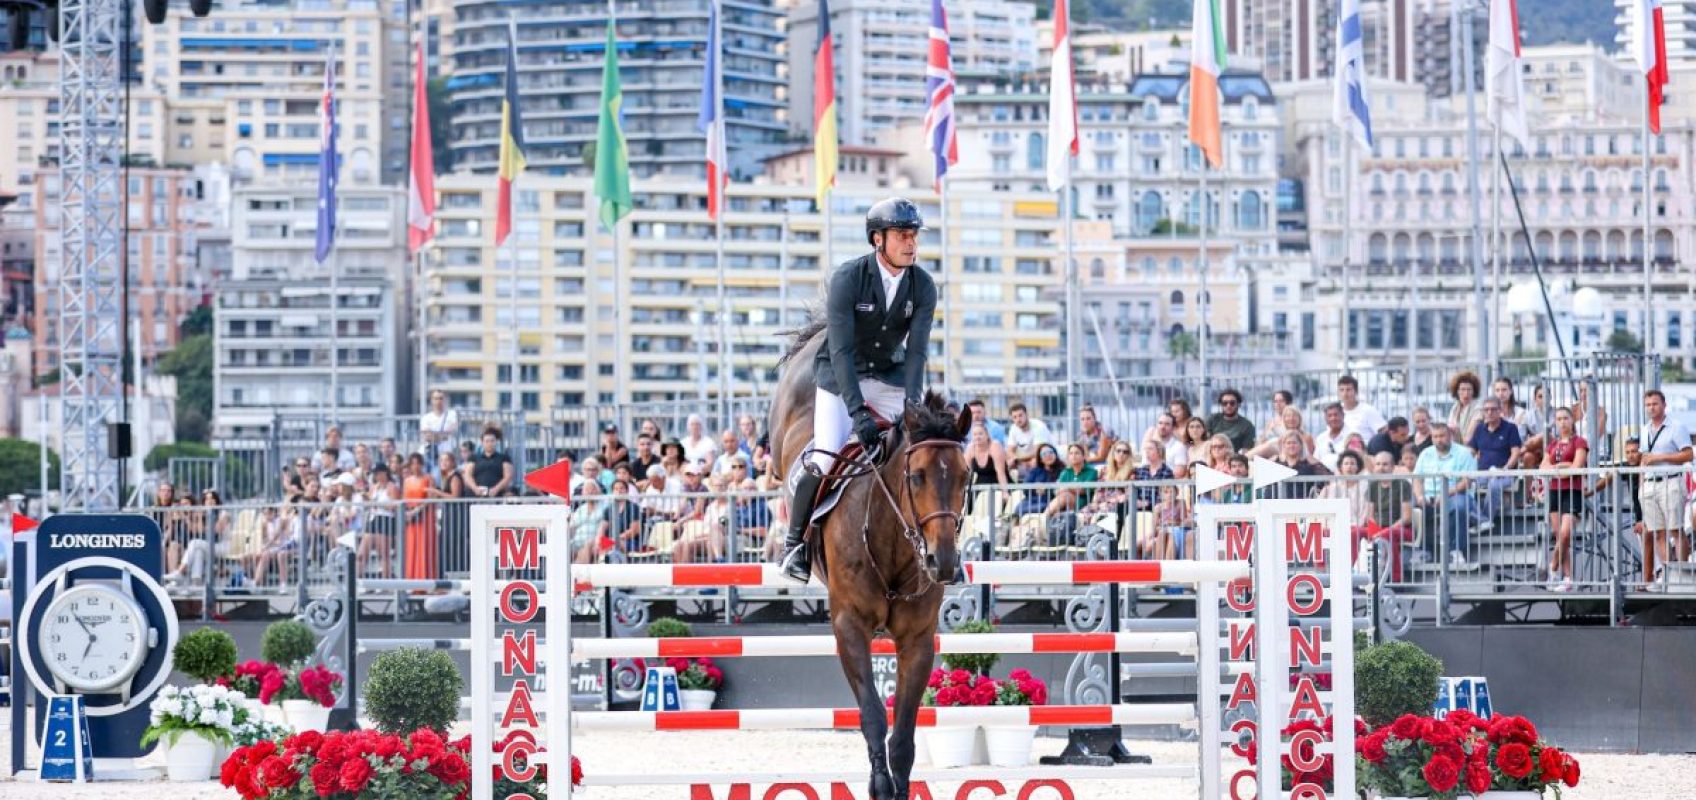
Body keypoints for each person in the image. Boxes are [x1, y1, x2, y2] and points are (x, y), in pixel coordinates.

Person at [778, 198, 937, 582]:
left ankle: (941, 546)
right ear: (878, 239)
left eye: (914, 235)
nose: (911, 243)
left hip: (888, 378)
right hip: (840, 377)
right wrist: (858, 413)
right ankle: (795, 545)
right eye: (902, 235)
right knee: (826, 454)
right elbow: (841, 352)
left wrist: (913, 406)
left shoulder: (923, 285)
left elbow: (917, 353)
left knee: (927, 451)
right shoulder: (850, 278)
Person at [1637, 389, 1692, 591]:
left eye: (1655, 404)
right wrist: (1641, 486)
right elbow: (1644, 459)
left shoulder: (1676, 427)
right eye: (1648, 405)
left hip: (1671, 481)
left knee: (1676, 530)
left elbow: (1688, 454)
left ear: (1664, 405)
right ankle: (1668, 575)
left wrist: (1659, 458)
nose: (1651, 408)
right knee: (1658, 532)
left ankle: (1681, 576)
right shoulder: (1645, 429)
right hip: (1650, 484)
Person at [1414, 422, 1478, 568]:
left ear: (1450, 435)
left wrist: (1446, 493)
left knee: (1460, 506)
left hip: (1455, 494)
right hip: (1429, 496)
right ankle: (1423, 550)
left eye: (1442, 436)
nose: (1439, 440)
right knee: (1412, 507)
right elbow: (1417, 479)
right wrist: (1419, 496)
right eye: (1435, 436)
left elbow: (1467, 481)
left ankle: (1456, 550)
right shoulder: (1425, 454)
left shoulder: (1463, 453)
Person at [1539, 407, 1588, 591]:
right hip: (1554, 491)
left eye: (1565, 418)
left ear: (1571, 420)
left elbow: (1576, 467)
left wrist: (1557, 468)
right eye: (1558, 419)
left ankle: (1552, 567)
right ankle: (1567, 578)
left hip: (1572, 490)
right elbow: (1543, 468)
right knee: (1560, 536)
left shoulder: (1579, 442)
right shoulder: (1552, 445)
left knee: (1566, 533)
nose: (1562, 422)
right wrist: (1562, 466)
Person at [1469, 398, 1523, 526]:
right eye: (1486, 410)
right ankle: (1483, 521)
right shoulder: (1479, 429)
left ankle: (1485, 521)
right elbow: (1470, 452)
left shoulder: (1510, 428)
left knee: (1494, 484)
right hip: (1483, 473)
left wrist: (1505, 468)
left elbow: (1515, 453)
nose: (1489, 412)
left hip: (1505, 473)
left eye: (1493, 409)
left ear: (1500, 410)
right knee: (1465, 485)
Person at [1366, 450, 1415, 582]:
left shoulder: (1403, 484)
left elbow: (1407, 517)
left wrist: (1385, 531)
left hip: (1402, 529)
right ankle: (1351, 576)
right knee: (1354, 533)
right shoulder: (1372, 486)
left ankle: (1395, 578)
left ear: (1393, 467)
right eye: (1378, 464)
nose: (1381, 468)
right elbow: (1369, 516)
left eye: (1385, 464)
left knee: (1387, 535)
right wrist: (1377, 530)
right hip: (1378, 529)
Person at [429, 452, 473, 574]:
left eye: (446, 460)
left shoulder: (455, 477)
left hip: (456, 515)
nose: (443, 463)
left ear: (453, 462)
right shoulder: (446, 477)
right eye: (441, 460)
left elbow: (455, 496)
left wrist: (437, 492)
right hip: (449, 514)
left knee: (455, 543)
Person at [402, 453, 438, 581]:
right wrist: (407, 513)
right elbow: (404, 499)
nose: (415, 466)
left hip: (425, 518)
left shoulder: (428, 479)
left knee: (424, 547)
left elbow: (431, 498)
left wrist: (417, 510)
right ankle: (412, 579)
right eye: (413, 464)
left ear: (422, 464)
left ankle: (426, 578)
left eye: (418, 463)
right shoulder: (407, 481)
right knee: (412, 547)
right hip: (411, 519)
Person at [965, 421, 1010, 514]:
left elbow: (1000, 472)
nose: (978, 437)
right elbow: (966, 472)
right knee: (968, 502)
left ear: (987, 435)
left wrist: (1005, 492)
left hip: (997, 484)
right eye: (975, 434)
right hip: (979, 485)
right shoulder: (970, 448)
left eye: (980, 434)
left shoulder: (995, 446)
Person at [1045, 443, 1098, 517]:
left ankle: (1044, 517)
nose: (1073, 456)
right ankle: (1046, 518)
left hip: (1083, 502)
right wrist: (1069, 489)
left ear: (1083, 456)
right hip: (1063, 501)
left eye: (1077, 453)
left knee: (1065, 496)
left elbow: (1084, 490)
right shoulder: (1065, 472)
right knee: (1063, 497)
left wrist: (1067, 488)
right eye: (1071, 453)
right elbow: (1057, 490)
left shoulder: (1091, 471)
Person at [468, 427, 515, 498]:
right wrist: (475, 488)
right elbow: (468, 475)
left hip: (498, 496)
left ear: (496, 441)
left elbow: (508, 476)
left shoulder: (504, 458)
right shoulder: (474, 458)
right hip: (476, 496)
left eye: (492, 441)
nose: (490, 443)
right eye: (487, 441)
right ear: (482, 442)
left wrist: (495, 490)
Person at [1204, 388, 1256, 453]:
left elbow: (1246, 451)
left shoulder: (1247, 426)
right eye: (1225, 403)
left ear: (1239, 404)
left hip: (1233, 457)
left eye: (1232, 403)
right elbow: (1204, 442)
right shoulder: (1212, 419)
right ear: (1221, 405)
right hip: (1212, 455)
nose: (1228, 406)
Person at [1494, 377, 1543, 445]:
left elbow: (1534, 433)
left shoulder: (1521, 412)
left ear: (1511, 391)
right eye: (1497, 390)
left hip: (1520, 447)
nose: (1500, 393)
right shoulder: (1491, 413)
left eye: (1504, 390)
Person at [1005, 402, 1053, 470]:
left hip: (1046, 455)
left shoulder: (1038, 426)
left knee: (1034, 462)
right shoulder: (1013, 428)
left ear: (1027, 414)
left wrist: (1019, 459)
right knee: (1009, 462)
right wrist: (1014, 459)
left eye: (1020, 415)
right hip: (1025, 459)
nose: (1018, 419)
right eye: (1015, 417)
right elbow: (1010, 450)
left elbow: (1038, 452)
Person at [420, 390, 460, 464]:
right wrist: (443, 436)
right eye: (436, 399)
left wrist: (435, 435)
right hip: (430, 453)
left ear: (445, 400)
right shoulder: (426, 418)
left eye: (441, 398)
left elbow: (452, 430)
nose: (438, 401)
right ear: (431, 400)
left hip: (447, 453)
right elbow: (428, 437)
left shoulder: (452, 415)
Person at [1447, 370, 1484, 447]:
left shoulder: (1478, 408)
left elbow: (1468, 438)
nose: (1466, 393)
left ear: (1474, 391)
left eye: (1469, 389)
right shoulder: (1455, 407)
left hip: (1472, 447)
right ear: (1457, 391)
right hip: (1456, 446)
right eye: (1463, 389)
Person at [1313, 403, 1351, 472]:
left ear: (1343, 415)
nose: (1333, 418)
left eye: (1336, 415)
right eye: (1329, 416)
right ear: (1325, 418)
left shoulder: (1352, 435)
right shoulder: (1321, 438)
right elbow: (1316, 461)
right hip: (1323, 476)